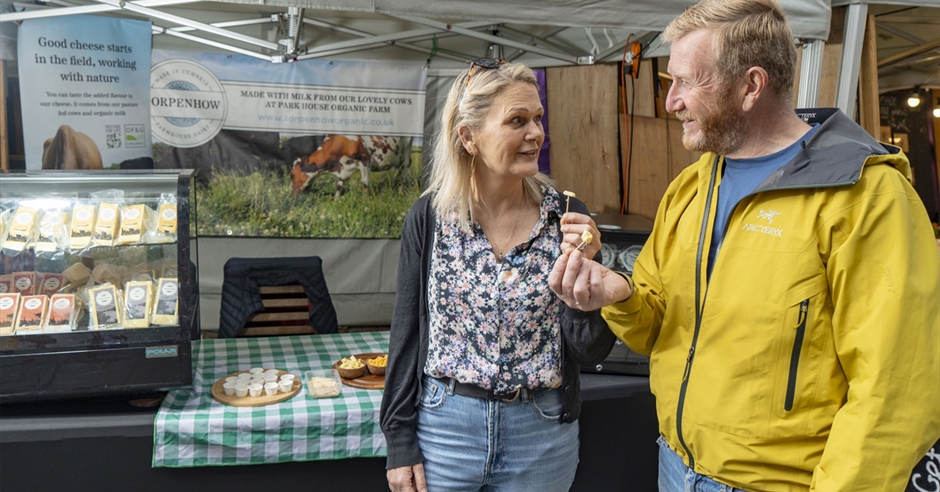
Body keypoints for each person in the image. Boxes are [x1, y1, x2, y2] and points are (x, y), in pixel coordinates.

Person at [549, 0, 940, 490]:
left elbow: (896, 392)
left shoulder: (866, 197)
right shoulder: (693, 187)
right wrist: (620, 296)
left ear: (751, 86)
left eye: (687, 82)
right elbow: (656, 332)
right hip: (675, 466)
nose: (672, 101)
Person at [379, 59, 615, 492]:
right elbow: (406, 332)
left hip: (540, 434)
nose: (536, 134)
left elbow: (591, 349)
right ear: (469, 137)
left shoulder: (566, 218)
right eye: (517, 121)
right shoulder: (430, 218)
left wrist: (589, 285)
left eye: (538, 118)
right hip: (446, 430)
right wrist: (399, 440)